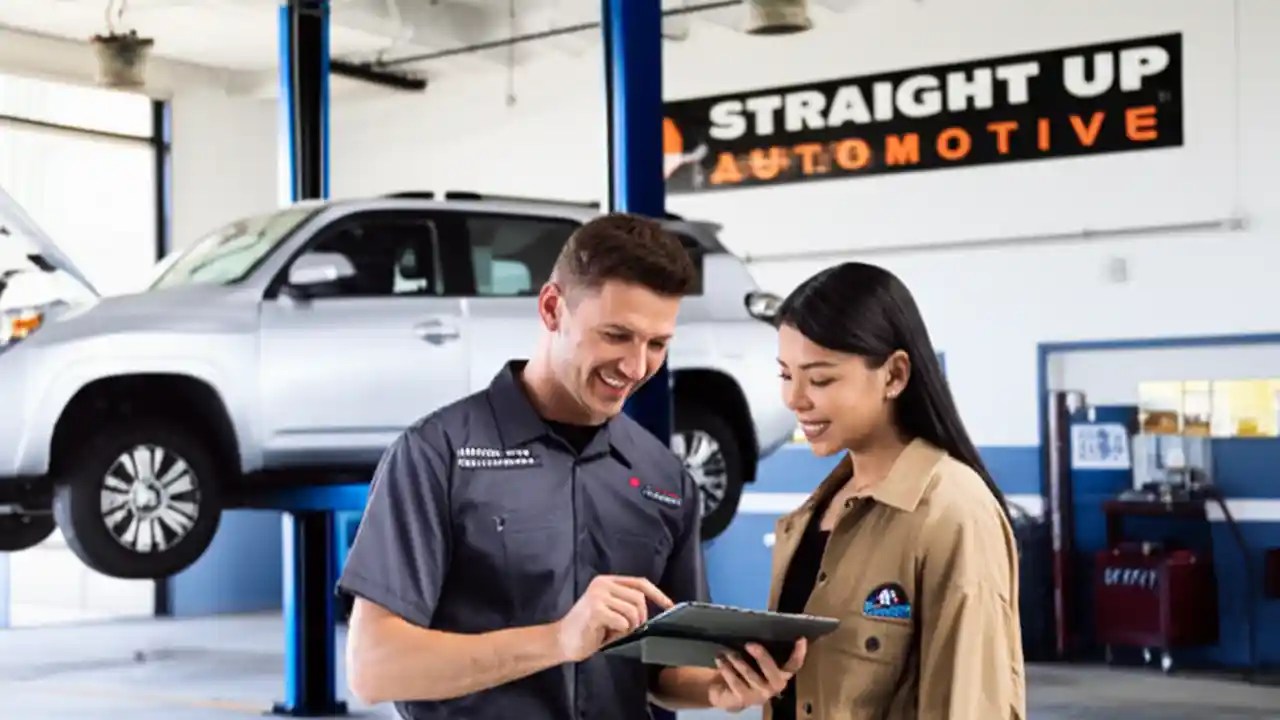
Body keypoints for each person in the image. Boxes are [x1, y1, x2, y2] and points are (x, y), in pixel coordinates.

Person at [337, 213, 805, 720]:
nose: (636, 367)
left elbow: (663, 670)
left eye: (657, 344)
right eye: (616, 335)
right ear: (552, 308)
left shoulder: (664, 479)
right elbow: (374, 668)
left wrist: (717, 688)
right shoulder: (436, 455)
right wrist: (558, 639)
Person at [766, 261, 1026, 720]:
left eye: (820, 379)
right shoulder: (816, 512)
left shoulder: (952, 512)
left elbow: (967, 704)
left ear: (894, 375)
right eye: (786, 376)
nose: (795, 399)